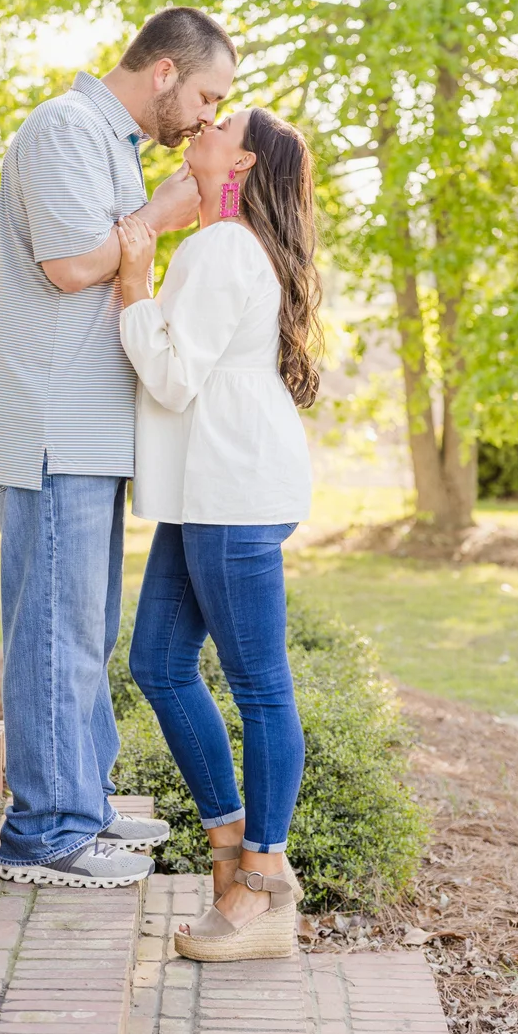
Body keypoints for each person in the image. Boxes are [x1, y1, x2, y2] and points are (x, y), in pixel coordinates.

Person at [0, 7, 238, 888]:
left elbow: (122, 273)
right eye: (204, 95)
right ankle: (45, 833)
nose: (205, 117)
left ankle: (84, 801)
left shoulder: (111, 145)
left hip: (87, 430)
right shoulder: (65, 128)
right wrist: (155, 214)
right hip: (49, 428)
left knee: (85, 631)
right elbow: (72, 267)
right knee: (54, 633)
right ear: (163, 72)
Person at [116, 106, 322, 959]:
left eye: (220, 122)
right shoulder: (226, 246)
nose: (201, 123)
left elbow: (169, 375)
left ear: (239, 161)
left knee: (260, 684)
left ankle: (265, 884)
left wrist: (134, 281)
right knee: (159, 663)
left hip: (232, 488)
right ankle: (230, 852)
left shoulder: (222, 247)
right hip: (213, 487)